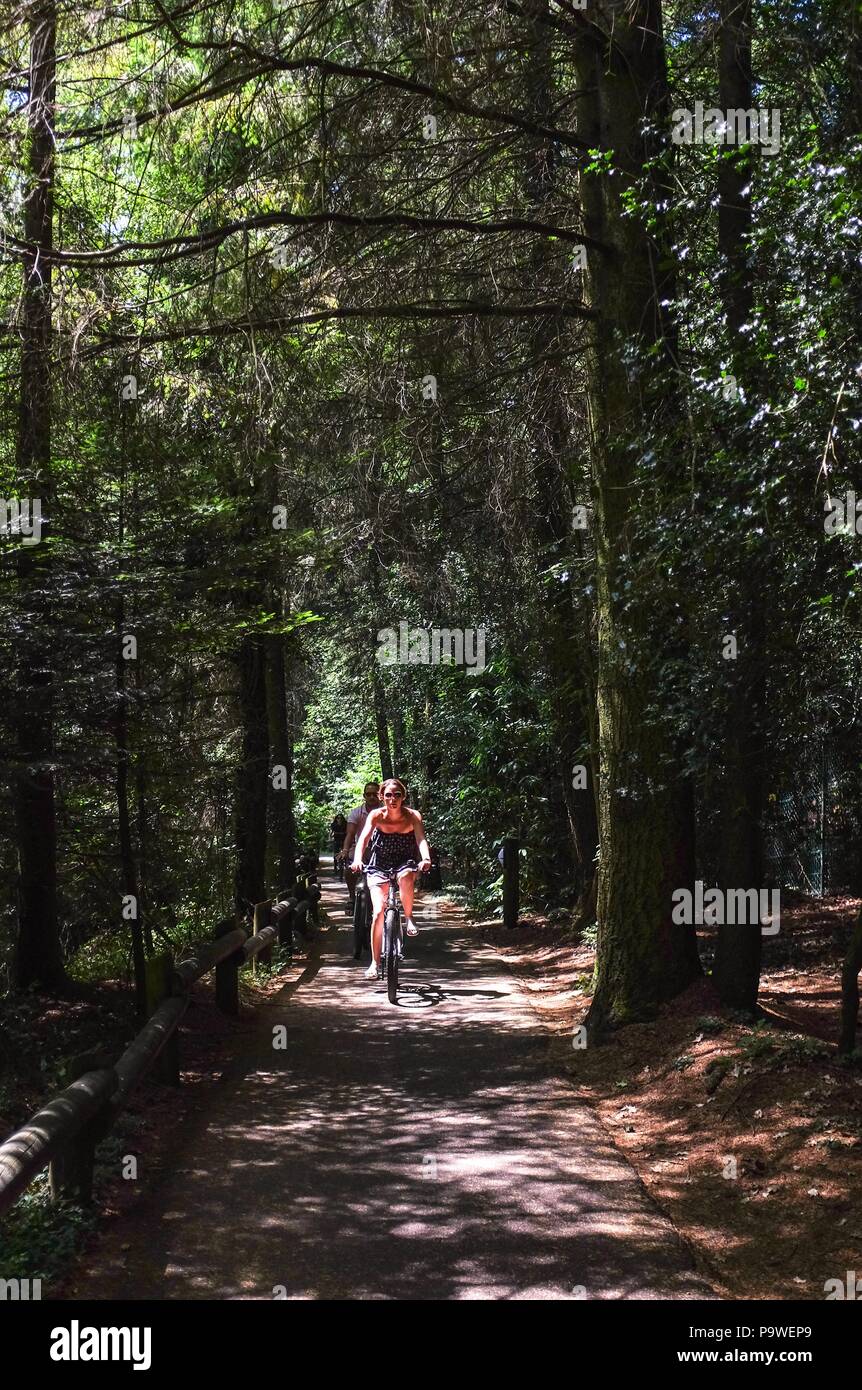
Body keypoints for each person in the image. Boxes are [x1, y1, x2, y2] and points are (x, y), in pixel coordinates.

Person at [351, 778, 431, 981]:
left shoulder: (413, 816)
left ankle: (409, 917)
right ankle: (375, 963)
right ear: (381, 797)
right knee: (378, 912)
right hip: (379, 863)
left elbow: (420, 838)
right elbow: (363, 839)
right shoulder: (376, 815)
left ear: (403, 797)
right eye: (388, 795)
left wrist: (426, 858)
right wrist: (358, 859)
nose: (392, 799)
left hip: (405, 860)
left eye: (397, 795)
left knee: (405, 877)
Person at [342, 782, 382, 911]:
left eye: (374, 794)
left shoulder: (386, 811)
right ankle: (352, 897)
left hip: (381, 848)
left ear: (380, 795)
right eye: (368, 794)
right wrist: (345, 850)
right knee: (349, 869)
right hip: (361, 847)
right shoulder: (356, 812)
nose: (371, 797)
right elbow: (350, 834)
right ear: (364, 796)